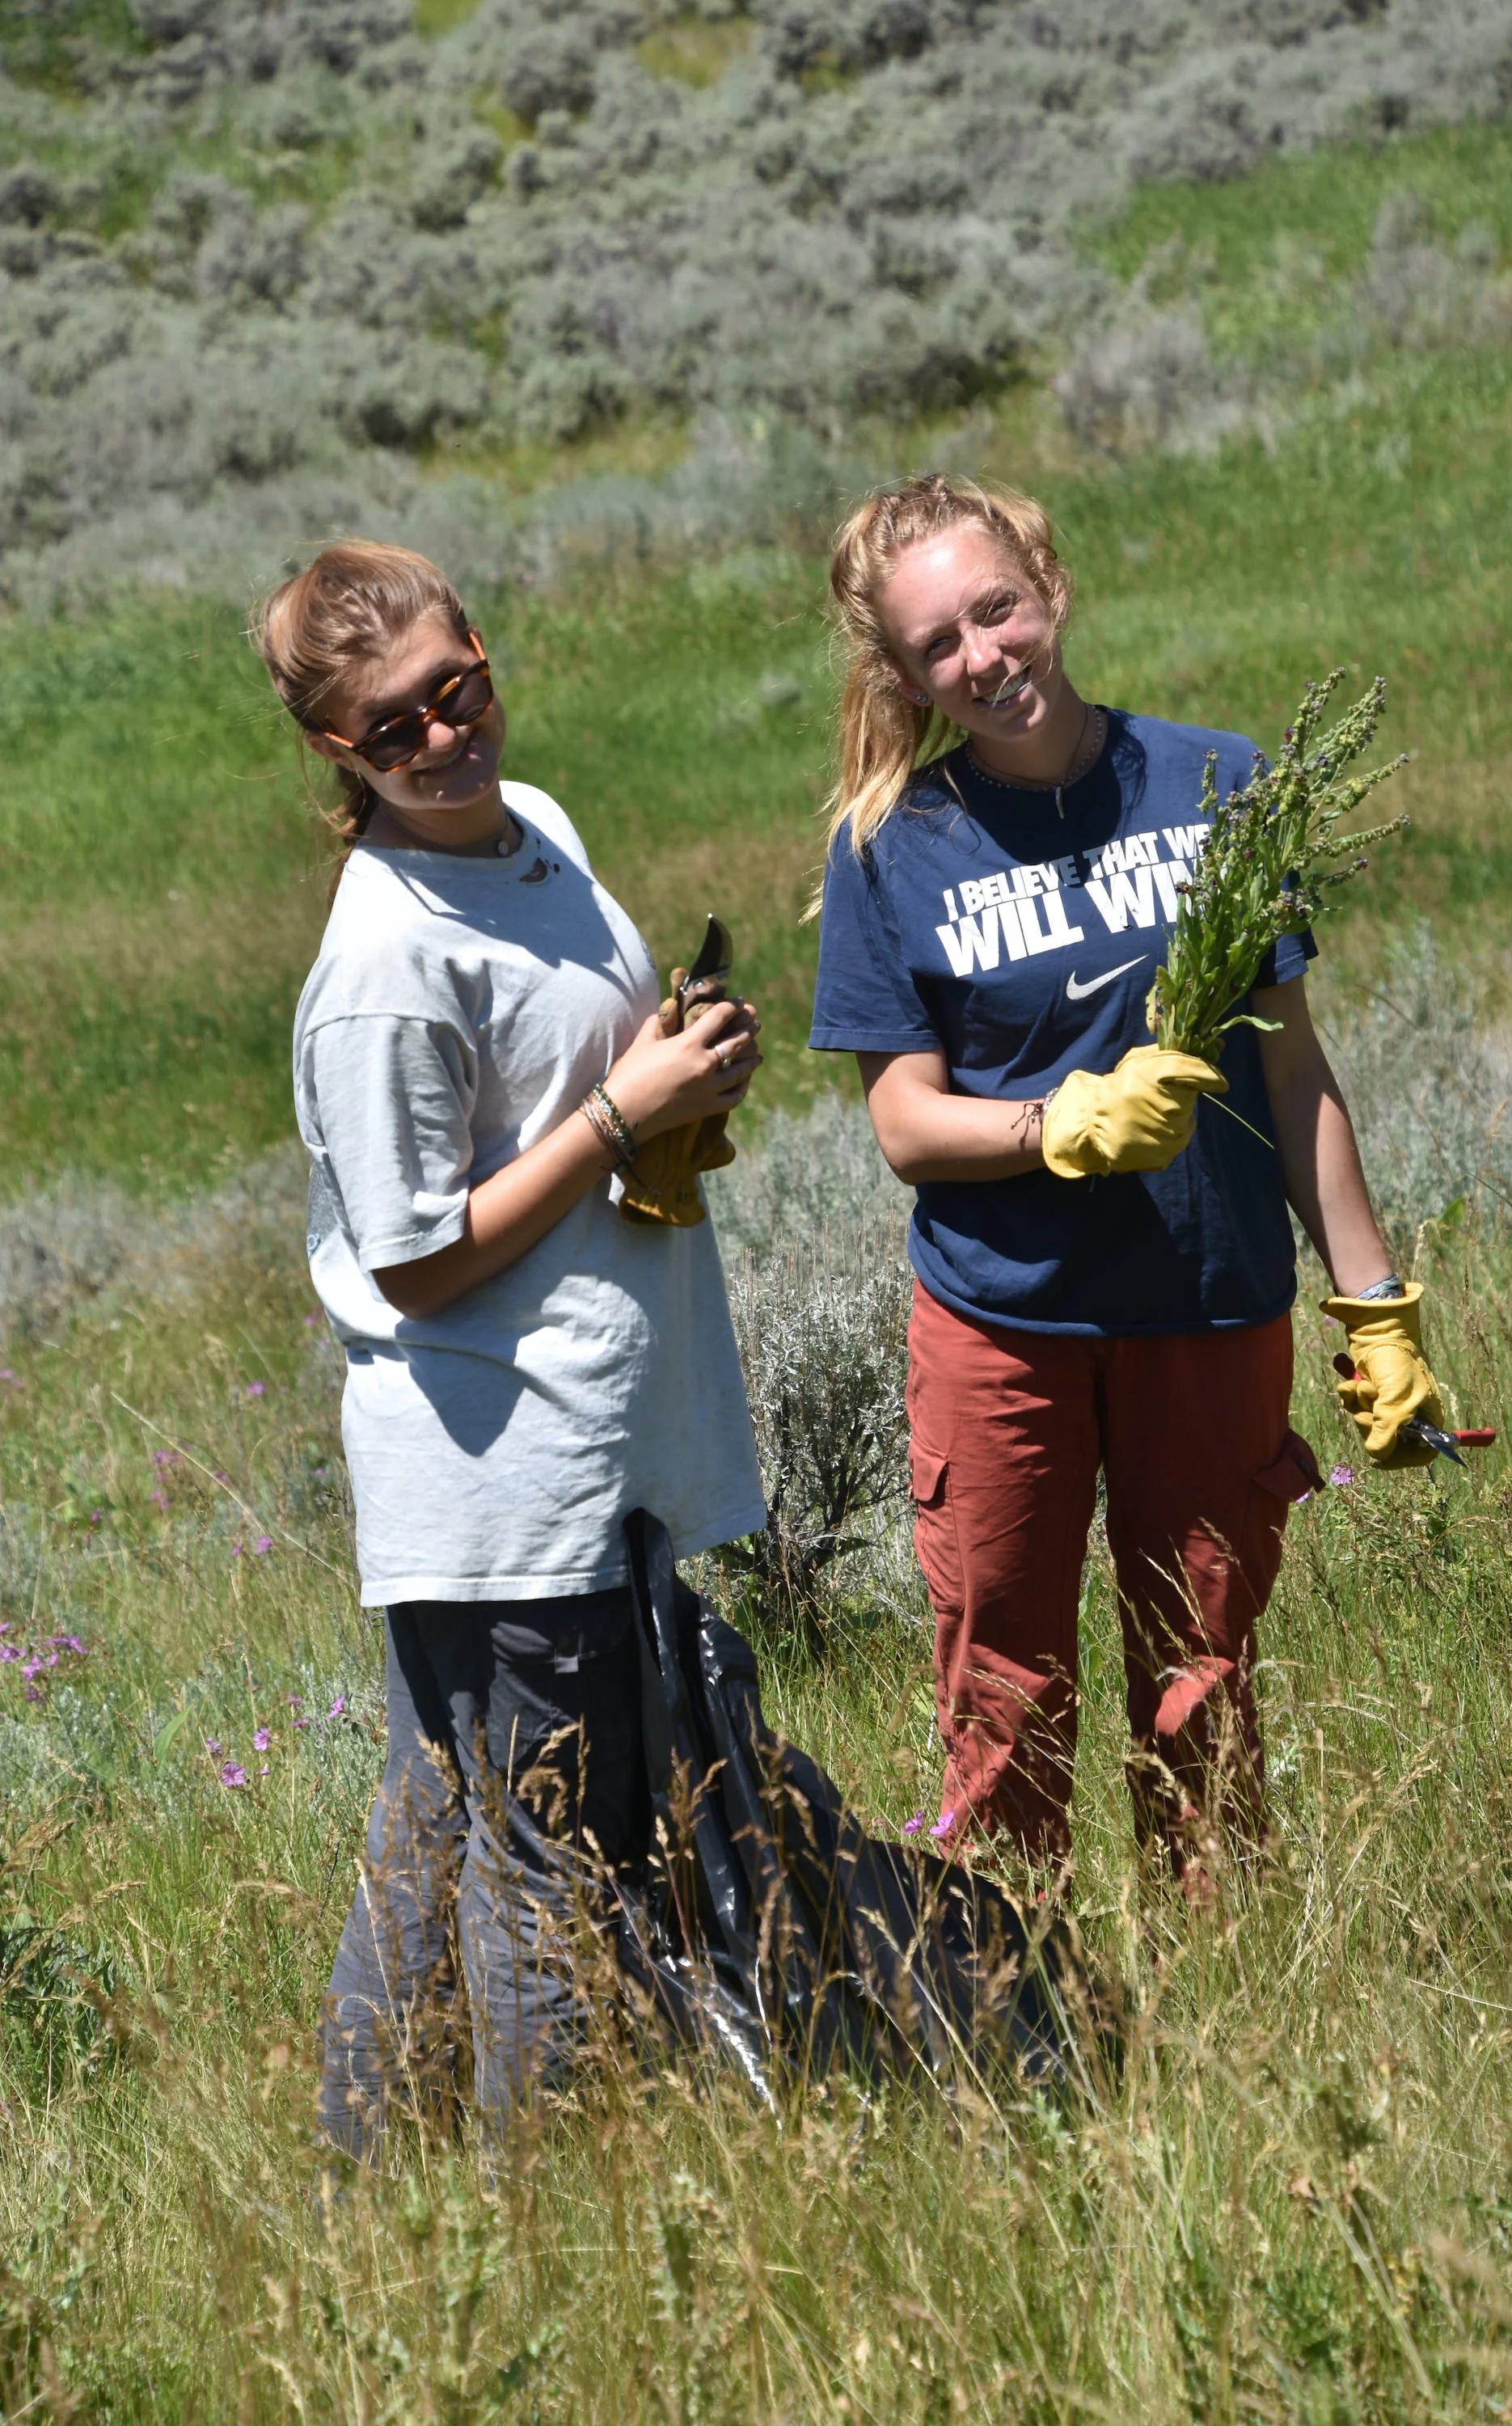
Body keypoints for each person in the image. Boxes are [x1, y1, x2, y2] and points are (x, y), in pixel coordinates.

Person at [807, 474, 1443, 1887]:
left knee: (1203, 1673)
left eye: (997, 610)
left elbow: (1294, 1071)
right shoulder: (891, 846)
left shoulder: (1215, 783)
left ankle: (1218, 1974)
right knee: (1004, 1694)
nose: (983, 657)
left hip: (1208, 1303)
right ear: (902, 674)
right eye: (938, 645)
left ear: (1048, 585)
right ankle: (1010, 1971)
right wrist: (1058, 1126)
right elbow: (906, 1124)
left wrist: (1376, 1309)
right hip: (1004, 1325)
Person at [252, 540, 766, 2147]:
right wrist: (622, 1114)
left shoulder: (533, 824)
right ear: (336, 750)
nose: (441, 737)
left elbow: (565, 1088)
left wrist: (680, 1071)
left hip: (587, 1427)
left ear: (481, 650)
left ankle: (375, 2174)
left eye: (453, 690)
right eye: (390, 728)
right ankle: (550, 2205)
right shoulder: (385, 968)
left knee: (441, 1824)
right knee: (555, 1858)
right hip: (503, 1470)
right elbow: (413, 1263)